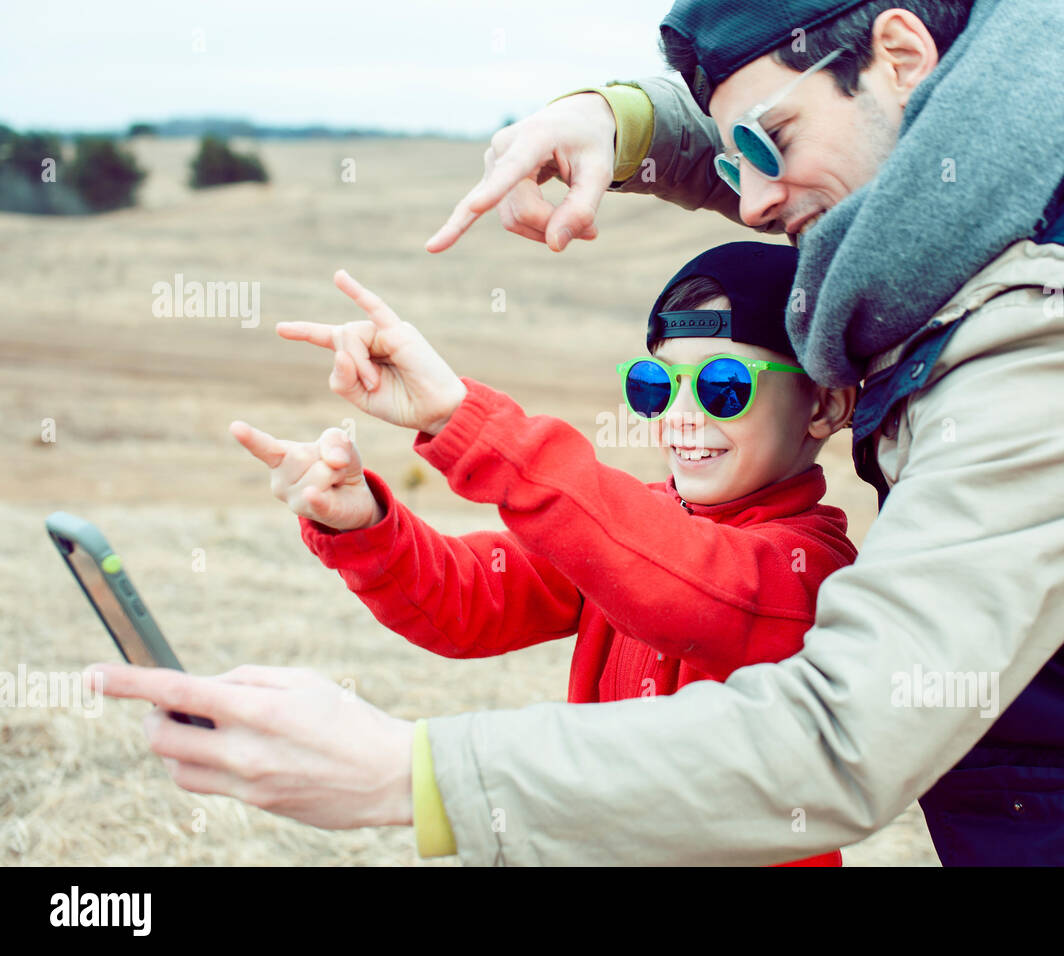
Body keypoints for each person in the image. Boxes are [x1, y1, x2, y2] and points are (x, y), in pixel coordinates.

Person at [94, 0, 1064, 866]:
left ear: (899, 50)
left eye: (725, 388)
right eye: (656, 383)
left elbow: (832, 732)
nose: (757, 197)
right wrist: (621, 125)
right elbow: (483, 593)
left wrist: (406, 774)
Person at [238, 244, 857, 864]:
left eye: (726, 386)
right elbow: (469, 601)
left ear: (825, 405)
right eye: (656, 385)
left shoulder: (809, 570)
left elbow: (683, 585)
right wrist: (362, 526)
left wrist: (464, 420)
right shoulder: (627, 530)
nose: (680, 416)